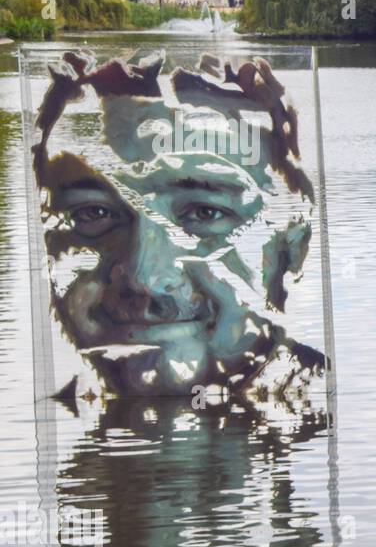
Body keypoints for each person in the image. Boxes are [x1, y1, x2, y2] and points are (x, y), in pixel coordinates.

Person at [30, 49, 325, 403]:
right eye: (92, 216)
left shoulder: (327, 412)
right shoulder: (42, 407)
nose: (144, 280)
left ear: (293, 244)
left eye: (205, 214)